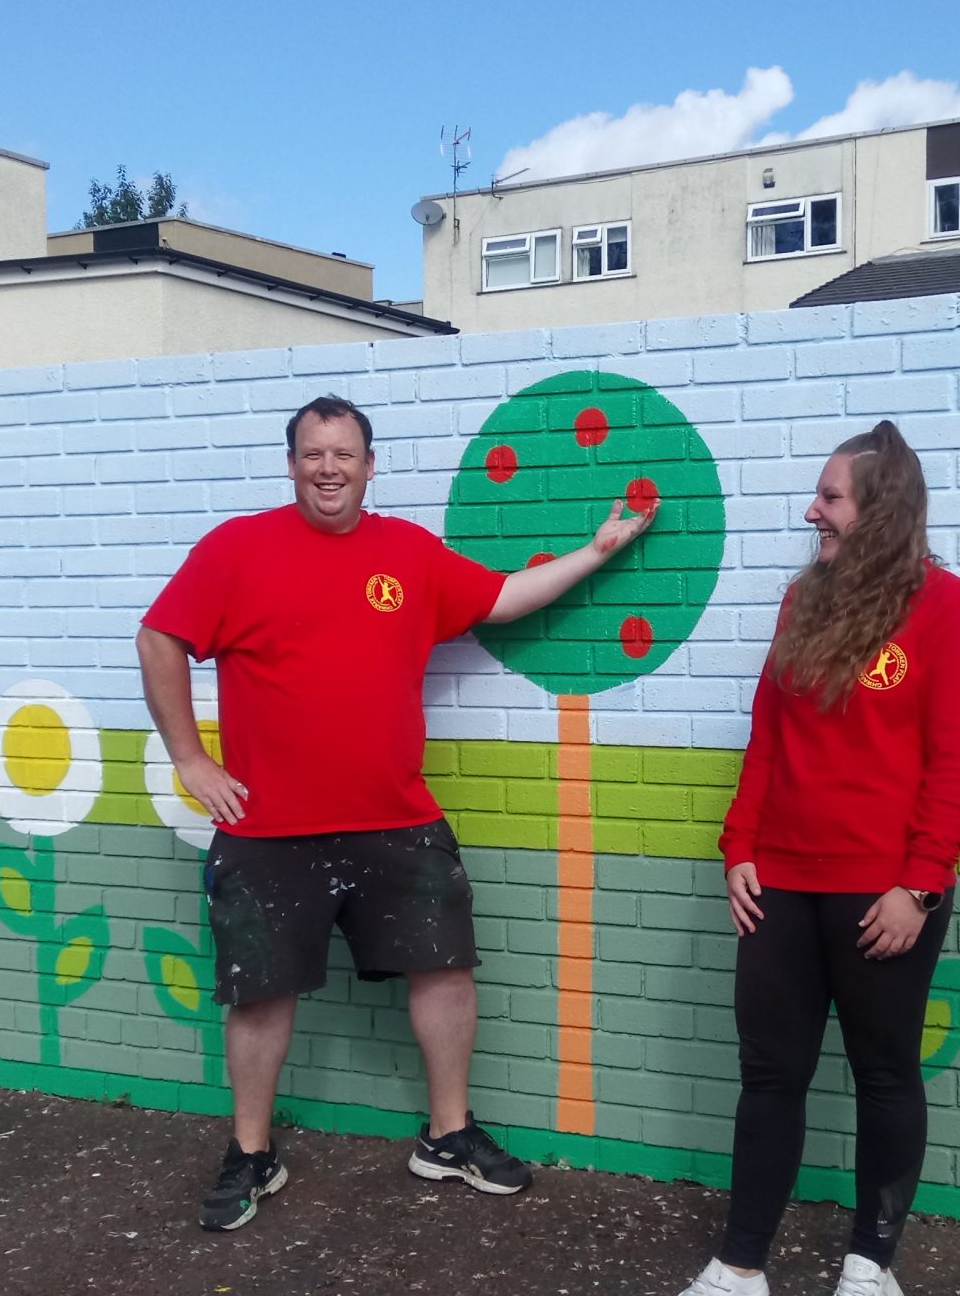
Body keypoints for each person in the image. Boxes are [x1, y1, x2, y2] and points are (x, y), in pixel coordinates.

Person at [138, 394, 654, 1232]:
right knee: (262, 996)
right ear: (292, 463)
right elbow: (160, 635)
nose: (329, 468)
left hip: (393, 817)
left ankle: (447, 1136)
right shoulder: (238, 549)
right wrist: (191, 759)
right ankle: (252, 1153)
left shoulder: (408, 554)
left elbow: (505, 599)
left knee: (446, 971)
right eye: (313, 454)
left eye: (344, 454)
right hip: (269, 828)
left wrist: (596, 552)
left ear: (371, 466)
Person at [636, 422, 960, 1296]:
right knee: (769, 1078)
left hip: (885, 894)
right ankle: (740, 1274)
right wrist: (738, 846)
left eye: (830, 497)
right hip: (781, 883)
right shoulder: (804, 598)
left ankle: (872, 1274)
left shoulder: (950, 609)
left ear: (881, 510)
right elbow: (768, 733)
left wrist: (920, 884)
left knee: (883, 1076)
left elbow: (958, 760)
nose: (813, 511)